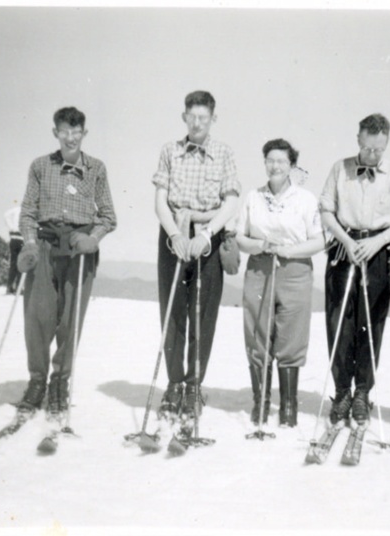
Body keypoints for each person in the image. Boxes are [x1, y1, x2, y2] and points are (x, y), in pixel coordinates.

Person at [16, 106, 117, 415]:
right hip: (44, 248)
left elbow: (109, 216)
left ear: (84, 134)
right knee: (38, 317)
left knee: (70, 321)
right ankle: (37, 381)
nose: (70, 138)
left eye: (76, 132)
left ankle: (60, 383)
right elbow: (28, 214)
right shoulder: (40, 166)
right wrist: (30, 245)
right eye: (64, 131)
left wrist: (93, 238)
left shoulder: (96, 169)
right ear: (55, 133)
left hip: (79, 251)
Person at [319, 113, 390, 427]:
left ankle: (362, 392)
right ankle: (342, 392)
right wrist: (346, 241)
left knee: (370, 324)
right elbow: (326, 210)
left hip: (377, 254)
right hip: (344, 251)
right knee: (339, 324)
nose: (373, 155)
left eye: (379, 150)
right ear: (359, 140)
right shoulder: (340, 168)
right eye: (368, 148)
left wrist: (379, 242)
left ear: (385, 143)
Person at [152, 90, 241, 419]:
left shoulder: (224, 153)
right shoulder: (170, 151)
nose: (198, 123)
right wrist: (175, 235)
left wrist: (206, 234)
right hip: (173, 234)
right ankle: (174, 384)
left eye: (204, 117)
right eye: (193, 117)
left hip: (208, 235)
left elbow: (231, 200)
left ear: (213, 119)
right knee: (173, 310)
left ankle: (193, 386)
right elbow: (160, 200)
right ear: (184, 117)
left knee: (202, 314)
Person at [236, 139, 324, 427]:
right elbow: (240, 237)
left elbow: (320, 240)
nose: (275, 166)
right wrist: (260, 243)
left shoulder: (306, 200)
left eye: (282, 162)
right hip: (260, 268)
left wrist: (289, 250)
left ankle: (288, 406)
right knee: (257, 331)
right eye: (270, 160)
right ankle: (260, 403)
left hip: (295, 270)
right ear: (264, 163)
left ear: (291, 166)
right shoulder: (253, 197)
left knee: (291, 335)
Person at [3, 205, 23, 294]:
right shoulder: (28, 211)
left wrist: (11, 227)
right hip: (22, 238)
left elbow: (6, 215)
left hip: (14, 237)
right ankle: (18, 287)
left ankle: (9, 287)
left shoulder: (17, 209)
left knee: (13, 263)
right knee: (20, 264)